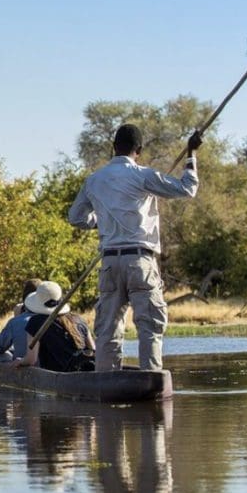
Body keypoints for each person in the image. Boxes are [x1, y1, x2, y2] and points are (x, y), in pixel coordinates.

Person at [67, 123, 203, 371]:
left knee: (108, 329)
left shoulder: (94, 180)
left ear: (113, 148)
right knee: (149, 326)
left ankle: (105, 380)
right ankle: (150, 380)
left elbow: (76, 217)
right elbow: (187, 189)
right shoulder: (143, 176)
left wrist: (104, 221)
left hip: (110, 262)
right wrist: (191, 153)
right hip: (140, 261)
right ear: (138, 150)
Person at [12, 280, 96, 372]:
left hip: (58, 378)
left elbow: (31, 360)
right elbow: (93, 349)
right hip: (85, 374)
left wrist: (21, 361)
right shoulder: (78, 319)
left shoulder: (36, 323)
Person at [0, 278, 41, 362]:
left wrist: (17, 317)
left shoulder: (17, 321)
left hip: (25, 367)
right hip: (50, 367)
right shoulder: (59, 319)